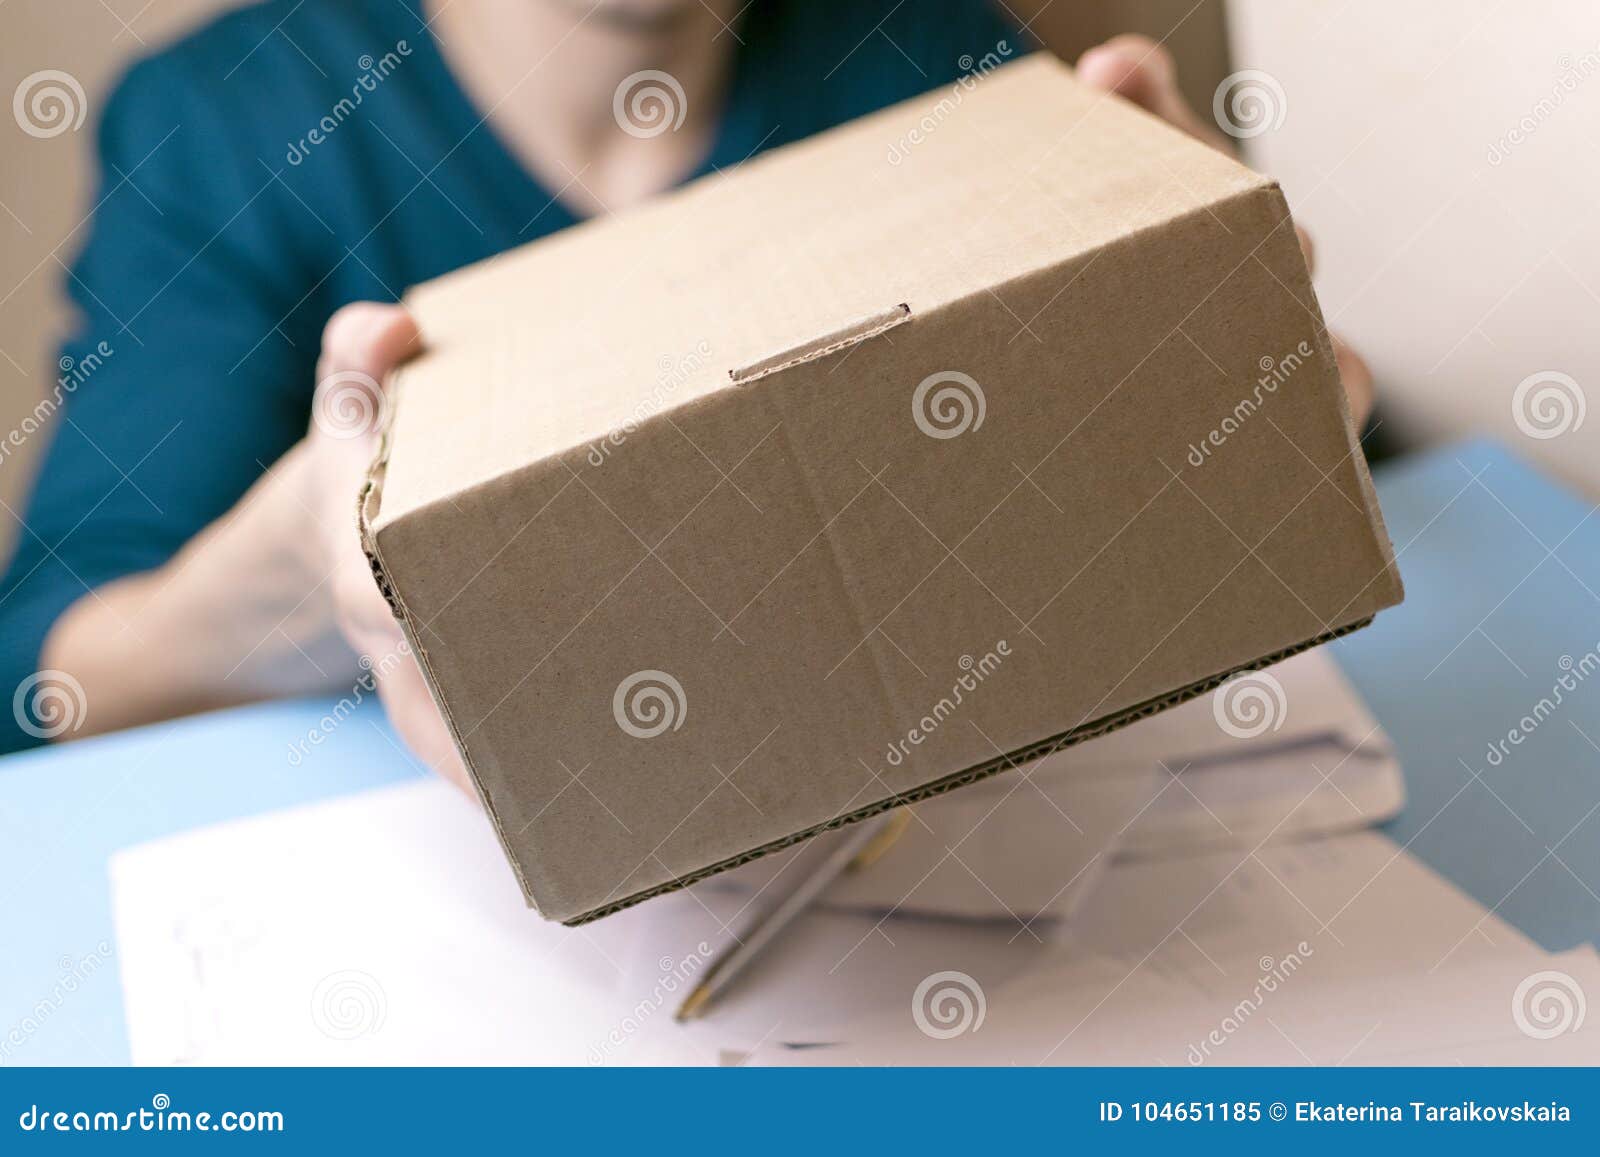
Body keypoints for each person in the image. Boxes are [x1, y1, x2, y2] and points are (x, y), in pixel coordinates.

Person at [0, 0, 1372, 780]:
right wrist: (307, 572)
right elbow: (47, 682)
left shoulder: (909, 45)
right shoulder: (234, 118)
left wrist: (1234, 399)